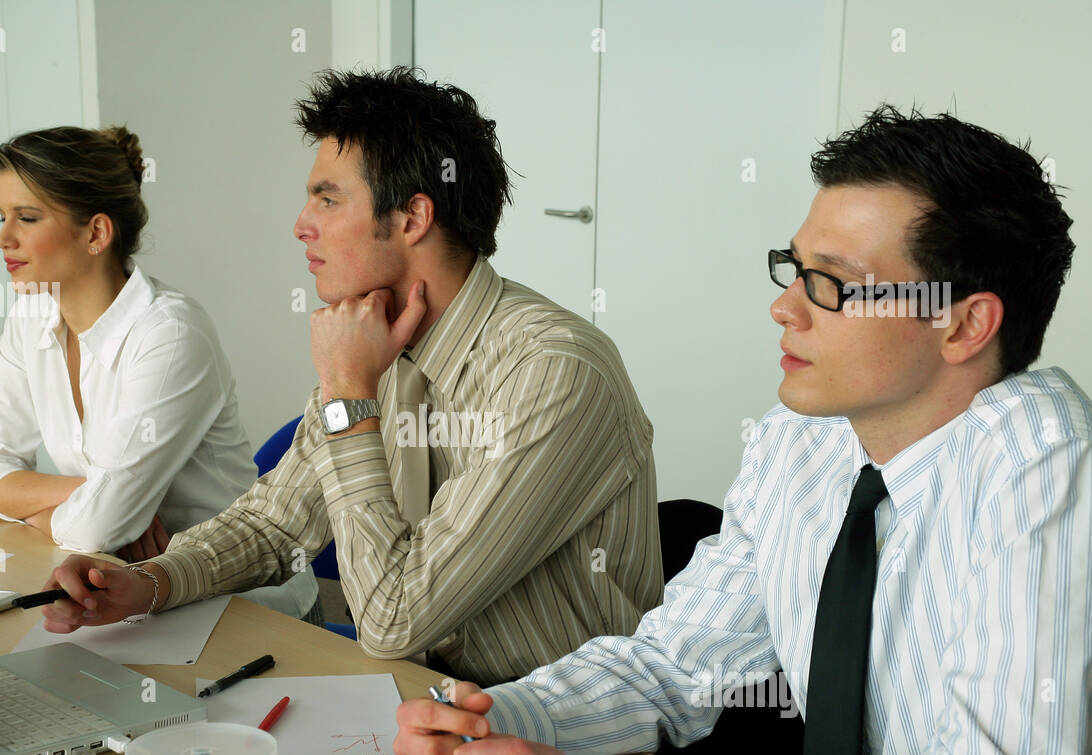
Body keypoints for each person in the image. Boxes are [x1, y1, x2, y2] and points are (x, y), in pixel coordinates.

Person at [395, 105, 1092, 755]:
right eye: (795, 268)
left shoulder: (1050, 468)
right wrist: (504, 715)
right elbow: (677, 664)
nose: (785, 307)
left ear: (964, 326)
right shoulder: (803, 437)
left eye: (831, 284)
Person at [39, 68, 663, 685]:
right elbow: (273, 523)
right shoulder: (377, 338)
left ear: (414, 218)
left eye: (328, 199)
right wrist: (148, 583)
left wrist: (347, 395)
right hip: (427, 704)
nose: (301, 223)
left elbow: (395, 618)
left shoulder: (552, 371)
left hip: (565, 741)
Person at [0, 125, 318, 620]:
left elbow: (96, 530)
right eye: (1, 216)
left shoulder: (170, 336)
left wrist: (85, 509)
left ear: (97, 233)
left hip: (241, 610)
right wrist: (90, 494)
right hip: (126, 590)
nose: (2, 238)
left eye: (27, 217)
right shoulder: (31, 316)